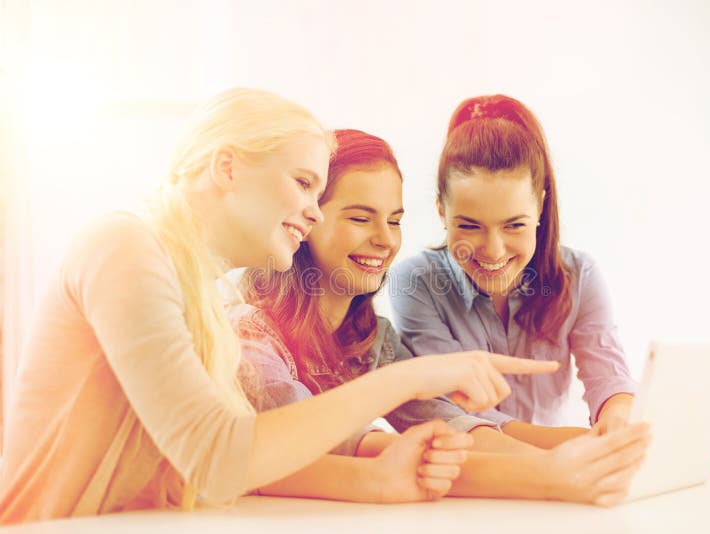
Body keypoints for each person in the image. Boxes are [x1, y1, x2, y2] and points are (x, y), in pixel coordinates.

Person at [0, 89, 556, 524]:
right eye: (303, 183)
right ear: (227, 168)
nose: (314, 213)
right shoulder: (124, 246)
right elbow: (218, 458)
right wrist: (414, 377)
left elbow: (222, 473)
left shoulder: (198, 298)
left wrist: (380, 481)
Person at [233, 128, 650, 506]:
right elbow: (340, 444)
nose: (384, 240)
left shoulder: (373, 338)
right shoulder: (248, 329)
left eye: (394, 221)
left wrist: (584, 451)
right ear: (306, 219)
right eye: (361, 218)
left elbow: (453, 423)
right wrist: (548, 474)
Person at [389, 95, 638, 443]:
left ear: (540, 208)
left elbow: (608, 375)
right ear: (441, 211)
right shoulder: (416, 283)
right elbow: (454, 411)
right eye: (470, 226)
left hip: (566, 472)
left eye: (514, 226)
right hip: (481, 473)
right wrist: (573, 442)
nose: (493, 251)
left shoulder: (579, 274)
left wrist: (617, 419)